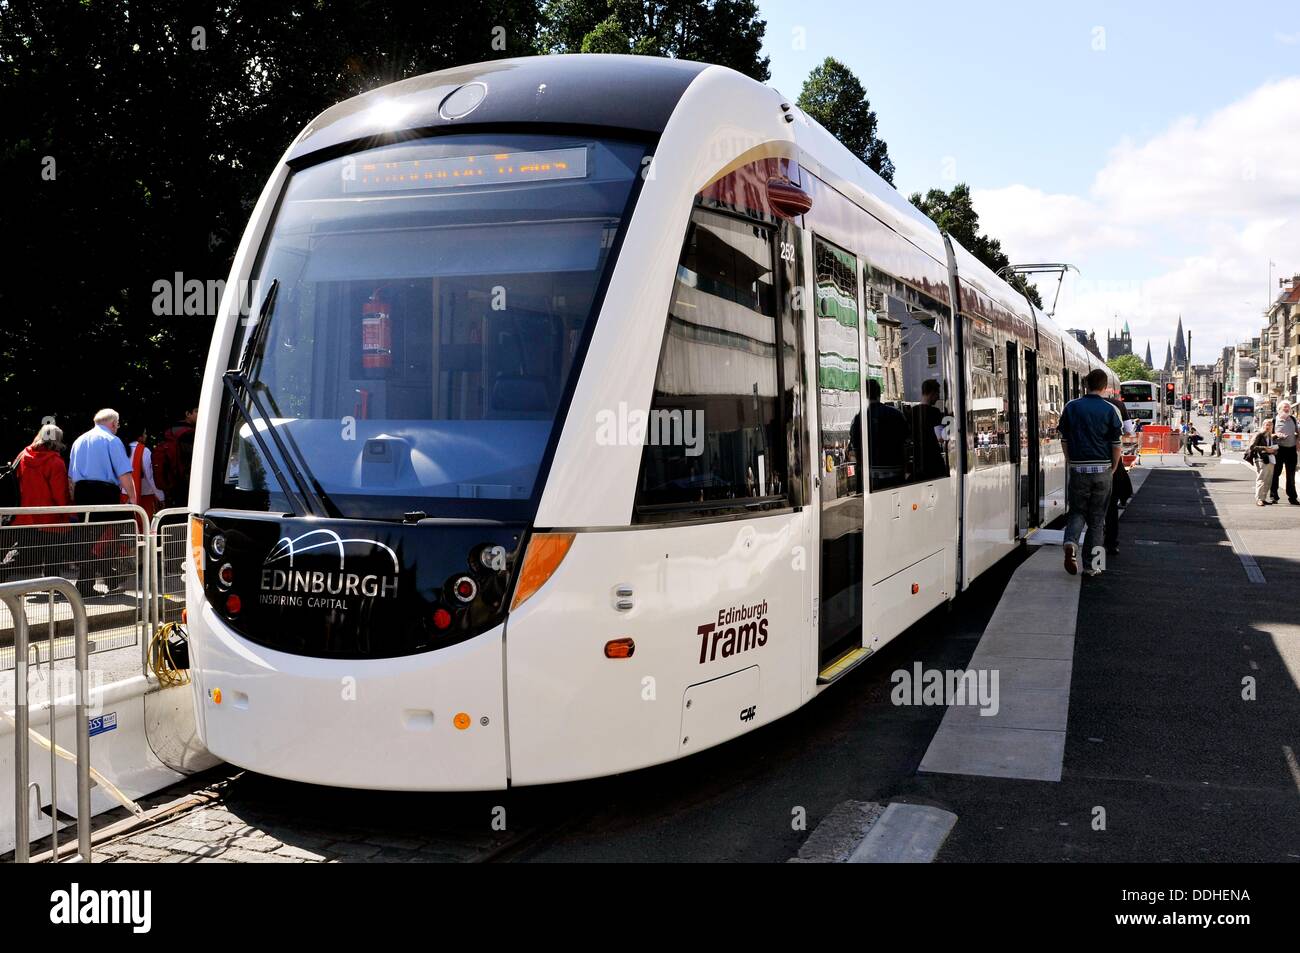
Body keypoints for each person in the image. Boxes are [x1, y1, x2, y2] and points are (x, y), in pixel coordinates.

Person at [1058, 368, 1122, 577]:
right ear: (1105, 387)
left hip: (1078, 468)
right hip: (1102, 469)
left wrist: (1071, 462)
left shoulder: (1071, 407)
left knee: (1077, 511)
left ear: (1086, 385)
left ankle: (1070, 543)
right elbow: (1116, 445)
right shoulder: (1111, 410)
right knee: (1097, 519)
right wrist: (1112, 467)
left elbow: (1064, 440)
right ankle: (1093, 566)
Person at [68, 409, 137, 597]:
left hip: (82, 492)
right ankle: (100, 579)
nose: (118, 427)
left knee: (90, 538)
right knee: (105, 537)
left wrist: (74, 496)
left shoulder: (78, 441)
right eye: (118, 424)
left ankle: (103, 578)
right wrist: (132, 498)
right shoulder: (112, 441)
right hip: (104, 491)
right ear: (114, 423)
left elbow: (71, 477)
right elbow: (124, 472)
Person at [0, 424, 73, 585]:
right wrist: (67, 509)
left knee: (23, 551)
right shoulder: (56, 462)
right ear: (58, 440)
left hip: (25, 514)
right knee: (53, 553)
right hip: (50, 516)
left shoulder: (23, 455)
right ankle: (50, 586)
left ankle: (3, 571)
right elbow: (59, 493)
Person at [865, 379, 911, 489]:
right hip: (895, 472)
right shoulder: (897, 414)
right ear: (879, 394)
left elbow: (857, 451)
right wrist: (906, 469)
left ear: (865, 395)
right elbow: (907, 444)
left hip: (871, 475)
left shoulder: (859, 418)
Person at [1103, 397, 1135, 555]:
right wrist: (1115, 466)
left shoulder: (1076, 404)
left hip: (1084, 465)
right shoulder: (1117, 405)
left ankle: (1073, 542)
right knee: (1110, 509)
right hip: (1109, 466)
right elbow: (1130, 431)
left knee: (1086, 512)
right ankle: (1109, 544)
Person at [152, 407, 197, 506]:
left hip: (170, 483)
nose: (199, 414)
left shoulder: (169, 431)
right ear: (187, 414)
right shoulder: (190, 434)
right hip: (186, 484)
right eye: (196, 411)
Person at [123, 423, 165, 522]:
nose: (146, 436)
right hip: (143, 496)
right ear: (139, 436)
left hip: (124, 495)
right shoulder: (144, 451)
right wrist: (161, 496)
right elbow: (150, 476)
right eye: (145, 433)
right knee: (144, 527)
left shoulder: (122, 448)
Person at [1268, 400, 1298, 505]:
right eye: (1284, 407)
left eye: (1288, 407)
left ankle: (1293, 497)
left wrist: (1297, 438)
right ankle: (1273, 496)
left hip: (1291, 450)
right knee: (1276, 473)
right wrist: (1277, 435)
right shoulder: (1274, 420)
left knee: (1291, 475)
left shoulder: (1293, 420)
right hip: (1279, 450)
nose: (1287, 409)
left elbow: (1298, 433)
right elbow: (1268, 435)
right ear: (1279, 409)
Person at [1246, 421, 1277, 507]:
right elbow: (1252, 447)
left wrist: (1274, 450)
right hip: (1261, 459)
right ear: (1263, 426)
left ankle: (1263, 498)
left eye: (1270, 425)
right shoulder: (1259, 434)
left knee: (1268, 480)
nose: (1268, 427)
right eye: (1267, 425)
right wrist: (1265, 448)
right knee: (1261, 479)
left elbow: (1272, 448)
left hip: (1270, 459)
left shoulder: (1270, 436)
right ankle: (1259, 499)